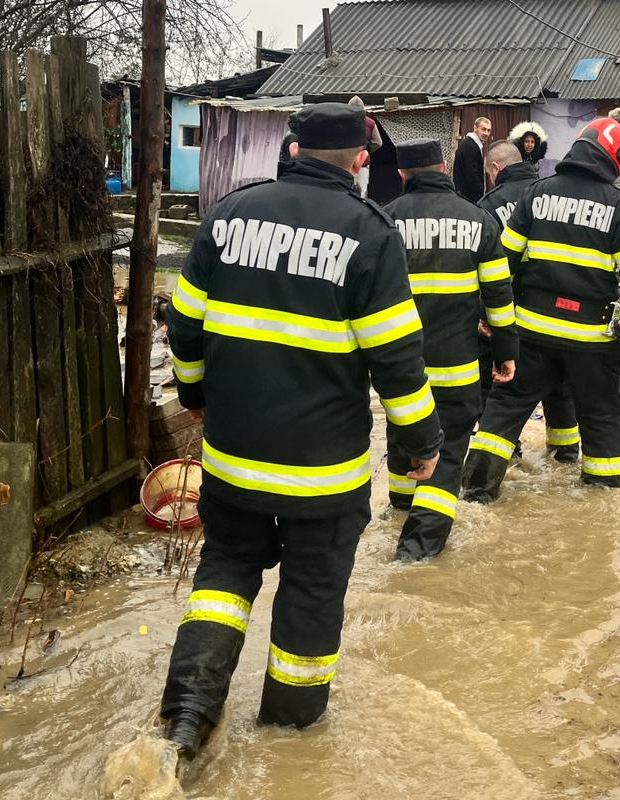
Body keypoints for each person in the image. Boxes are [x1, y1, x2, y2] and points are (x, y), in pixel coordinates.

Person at [158, 103, 443, 758]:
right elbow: (397, 358)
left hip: (232, 462)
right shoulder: (369, 233)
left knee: (223, 581)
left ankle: (184, 726)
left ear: (292, 147)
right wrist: (421, 444)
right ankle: (287, 746)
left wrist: (197, 397)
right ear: (361, 160)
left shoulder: (229, 215)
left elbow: (185, 323)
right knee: (311, 600)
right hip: (323, 477)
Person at [463, 118, 620, 502]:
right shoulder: (619, 206)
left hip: (531, 332)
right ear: (614, 158)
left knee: (503, 410)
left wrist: (486, 311)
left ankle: (476, 492)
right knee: (601, 414)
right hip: (590, 337)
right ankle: (599, 503)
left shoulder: (537, 193)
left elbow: (501, 263)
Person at [382, 138, 517, 560]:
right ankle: (418, 552)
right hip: (458, 368)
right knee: (449, 449)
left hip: (399, 370)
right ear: (444, 167)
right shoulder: (478, 220)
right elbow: (499, 296)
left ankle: (399, 513)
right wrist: (505, 351)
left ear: (403, 174)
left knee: (402, 436)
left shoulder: (383, 220)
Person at [478, 140, 579, 462]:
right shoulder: (550, 196)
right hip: (559, 312)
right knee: (560, 385)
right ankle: (564, 454)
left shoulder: (488, 206)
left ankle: (508, 455)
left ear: (495, 169)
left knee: (504, 391)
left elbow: (488, 269)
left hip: (512, 315)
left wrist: (484, 315)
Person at [452, 116, 491, 202]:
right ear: (475, 128)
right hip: (468, 199)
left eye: (488, 130)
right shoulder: (470, 147)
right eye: (483, 129)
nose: (486, 133)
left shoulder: (472, 145)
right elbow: (472, 175)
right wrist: (480, 199)